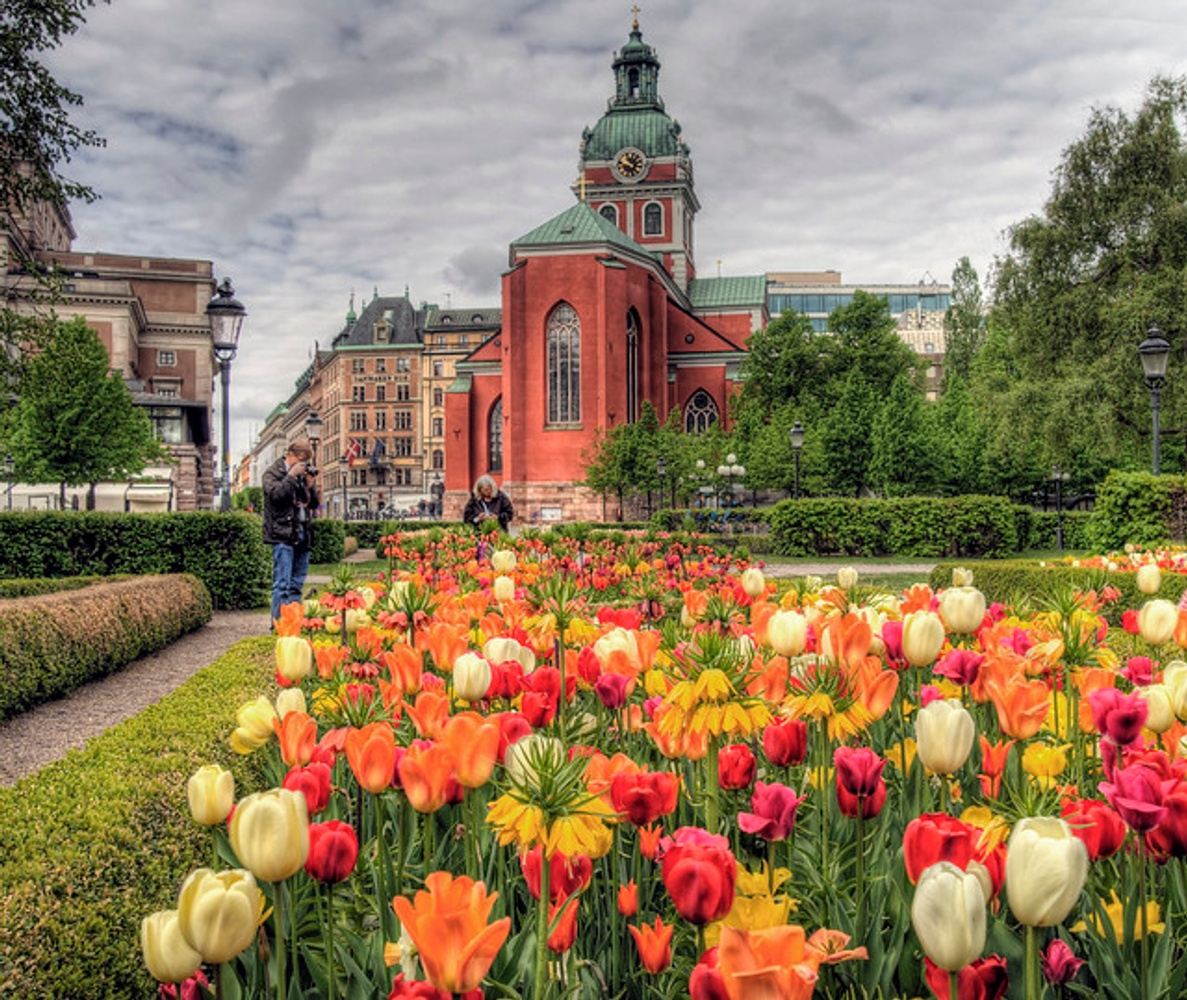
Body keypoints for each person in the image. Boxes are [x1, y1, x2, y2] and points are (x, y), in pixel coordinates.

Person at [263, 439, 320, 622]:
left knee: (296, 584)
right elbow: (276, 496)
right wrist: (290, 477)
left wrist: (311, 487)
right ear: (291, 455)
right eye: (301, 462)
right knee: (282, 584)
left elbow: (313, 504)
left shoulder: (301, 476)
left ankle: (293, 622)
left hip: (302, 532)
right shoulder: (273, 473)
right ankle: (278, 624)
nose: (303, 466)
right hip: (283, 534)